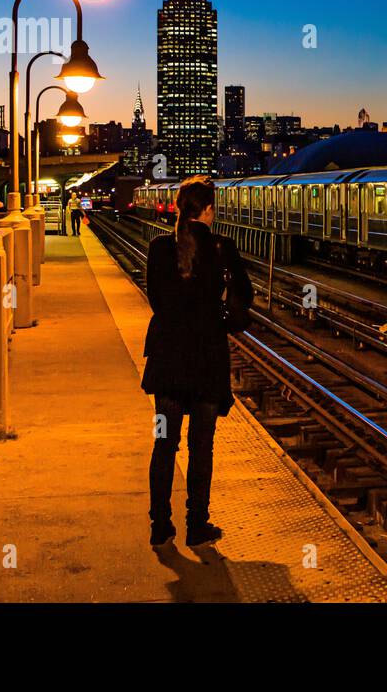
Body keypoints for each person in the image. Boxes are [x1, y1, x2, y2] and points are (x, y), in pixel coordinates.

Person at [142, 175, 253, 547]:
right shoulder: (223, 248)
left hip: (166, 366)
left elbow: (156, 301)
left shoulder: (159, 248)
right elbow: (242, 305)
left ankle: (160, 525)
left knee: (163, 442)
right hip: (207, 364)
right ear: (207, 211)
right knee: (200, 446)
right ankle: (196, 524)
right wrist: (219, 318)